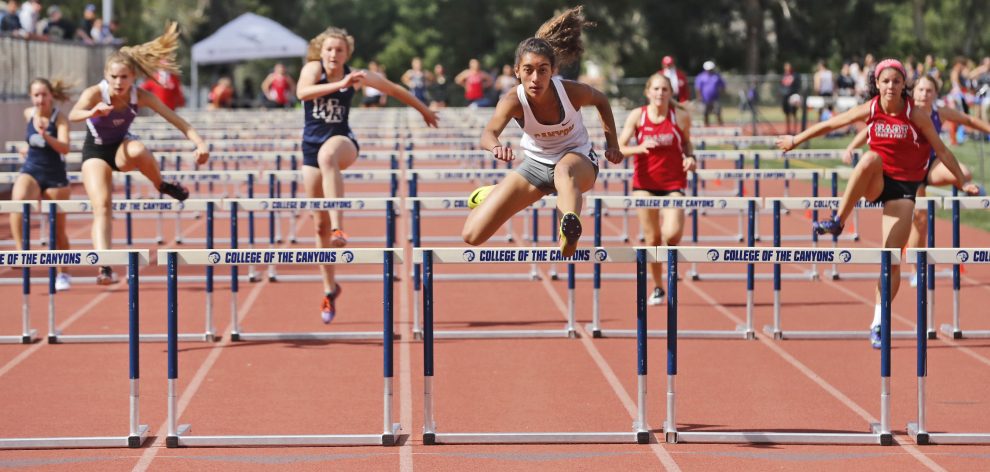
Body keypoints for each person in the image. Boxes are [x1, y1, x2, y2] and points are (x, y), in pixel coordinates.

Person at [776, 59, 978, 348]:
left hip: (904, 189)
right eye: (885, 81)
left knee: (891, 260)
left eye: (896, 81)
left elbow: (943, 150)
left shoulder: (916, 114)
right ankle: (838, 220)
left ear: (904, 85)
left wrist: (961, 181)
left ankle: (878, 322)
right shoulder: (871, 108)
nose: (891, 86)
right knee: (870, 158)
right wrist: (796, 139)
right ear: (877, 84)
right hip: (878, 181)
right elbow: (832, 123)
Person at [297, 26, 437, 323]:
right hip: (309, 148)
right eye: (329, 49)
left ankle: (339, 228)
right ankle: (330, 288)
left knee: (328, 156)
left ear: (347, 54)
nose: (333, 54)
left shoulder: (357, 76)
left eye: (339, 50)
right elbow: (302, 93)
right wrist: (340, 84)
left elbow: (393, 89)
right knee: (318, 226)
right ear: (322, 51)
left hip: (342, 142)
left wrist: (423, 109)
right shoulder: (313, 69)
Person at [462, 6, 621, 259]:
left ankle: (568, 235)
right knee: (472, 235)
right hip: (536, 165)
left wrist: (613, 144)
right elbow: (488, 134)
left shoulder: (570, 92)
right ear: (517, 71)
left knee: (563, 171)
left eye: (543, 70)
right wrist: (496, 146)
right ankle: (497, 192)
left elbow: (601, 100)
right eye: (528, 70)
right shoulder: (512, 100)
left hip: (577, 160)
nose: (536, 78)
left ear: (552, 71)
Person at [69, 22, 208, 284]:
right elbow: (73, 114)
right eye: (114, 77)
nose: (118, 82)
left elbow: (177, 121)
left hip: (122, 149)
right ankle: (104, 266)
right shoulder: (94, 93)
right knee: (102, 206)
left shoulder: (140, 96)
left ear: (133, 77)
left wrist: (200, 144)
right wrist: (92, 112)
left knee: (139, 148)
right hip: (95, 151)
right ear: (106, 75)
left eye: (124, 77)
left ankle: (161, 184)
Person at [843, 74, 989, 286]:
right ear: (913, 91)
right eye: (920, 90)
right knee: (920, 219)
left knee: (964, 173)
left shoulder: (940, 112)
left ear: (935, 94)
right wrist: (851, 147)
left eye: (929, 91)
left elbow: (969, 120)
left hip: (932, 165)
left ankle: (967, 188)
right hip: (911, 171)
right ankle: (915, 270)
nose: (924, 94)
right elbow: (869, 129)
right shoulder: (906, 111)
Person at [617, 73, 695, 304]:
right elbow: (620, 147)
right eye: (656, 89)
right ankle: (659, 286)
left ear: (670, 93)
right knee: (652, 239)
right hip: (644, 184)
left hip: (673, 183)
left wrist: (690, 157)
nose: (660, 93)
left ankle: (669, 267)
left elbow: (687, 143)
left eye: (664, 89)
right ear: (648, 92)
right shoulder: (638, 115)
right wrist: (639, 148)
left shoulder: (680, 116)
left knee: (672, 235)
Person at [10, 78, 73, 290]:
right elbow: (30, 139)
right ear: (31, 97)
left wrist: (45, 136)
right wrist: (28, 147)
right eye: (36, 95)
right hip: (32, 169)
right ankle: (21, 251)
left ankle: (63, 273)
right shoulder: (28, 113)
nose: (40, 99)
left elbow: (65, 148)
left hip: (55, 175)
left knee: (58, 229)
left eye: (44, 94)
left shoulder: (59, 118)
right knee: (18, 201)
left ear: (51, 95)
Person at [694, 60, 725, 126]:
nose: (710, 70)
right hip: (705, 98)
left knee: (718, 112)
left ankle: (720, 125)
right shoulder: (701, 77)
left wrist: (722, 93)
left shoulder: (717, 76)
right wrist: (699, 97)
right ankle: (706, 125)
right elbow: (698, 88)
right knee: (705, 113)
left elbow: (722, 85)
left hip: (715, 98)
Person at [780, 62, 801, 134]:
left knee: (794, 113)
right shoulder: (784, 75)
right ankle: (788, 130)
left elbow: (797, 86)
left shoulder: (795, 75)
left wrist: (795, 94)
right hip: (785, 97)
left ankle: (795, 130)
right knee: (787, 114)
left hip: (792, 97)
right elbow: (781, 85)